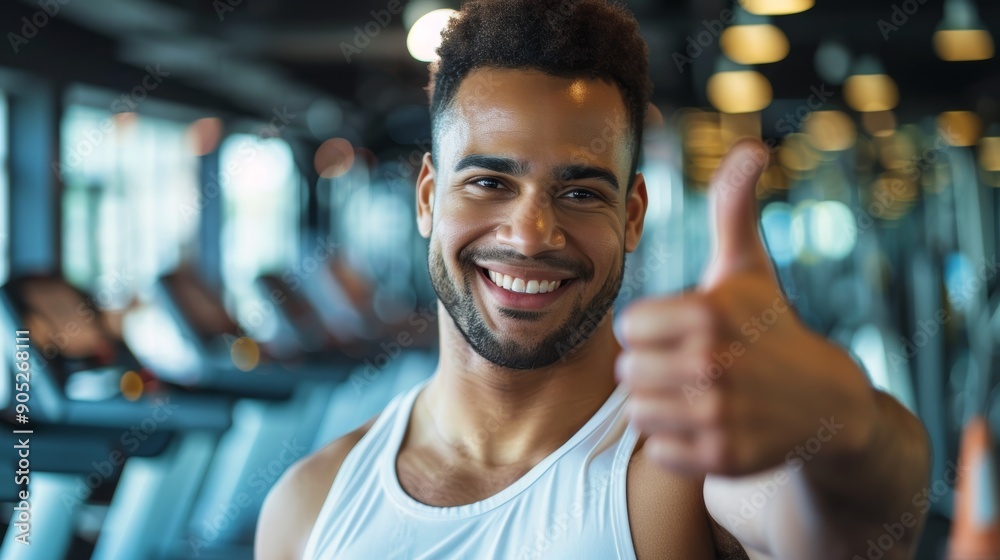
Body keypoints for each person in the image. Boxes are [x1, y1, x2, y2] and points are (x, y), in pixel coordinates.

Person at [256, 1, 931, 558]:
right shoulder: (309, 506)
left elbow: (855, 534)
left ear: (631, 216)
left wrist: (842, 418)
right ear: (429, 198)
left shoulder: (683, 471)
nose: (529, 236)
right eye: (490, 182)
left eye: (580, 193)